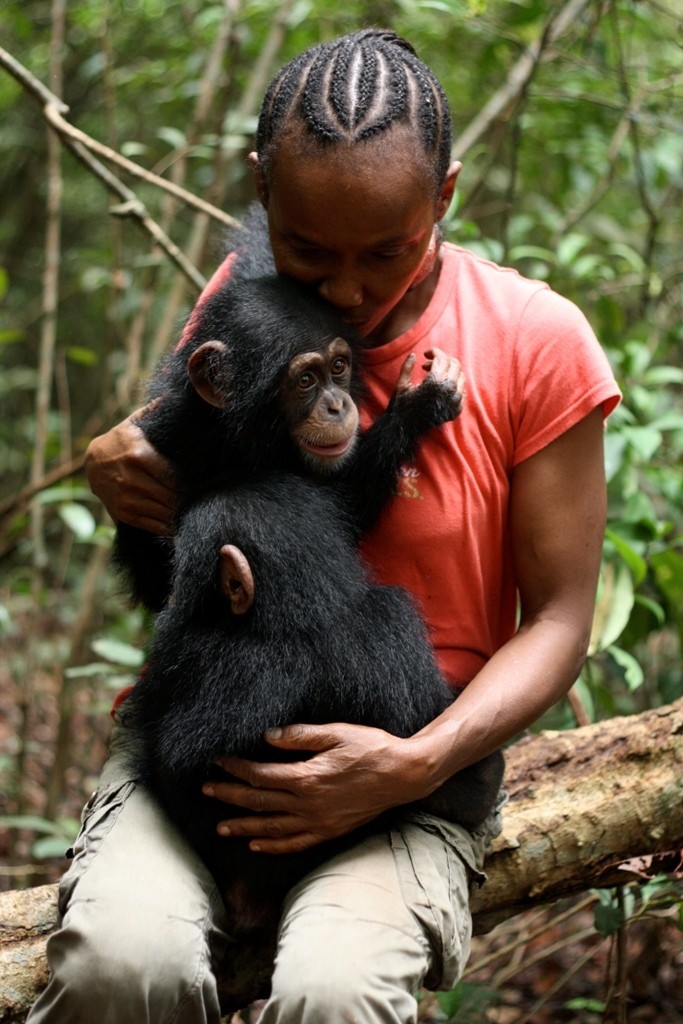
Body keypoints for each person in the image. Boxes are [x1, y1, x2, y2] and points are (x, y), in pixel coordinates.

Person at [28, 28, 621, 1024]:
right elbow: (186, 522)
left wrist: (415, 764)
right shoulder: (246, 302)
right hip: (210, 749)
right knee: (119, 969)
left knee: (334, 995)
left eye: (385, 252)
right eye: (308, 253)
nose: (344, 291)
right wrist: (121, 473)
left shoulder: (533, 341)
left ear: (444, 196)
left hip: (412, 765)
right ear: (261, 190)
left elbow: (561, 618)